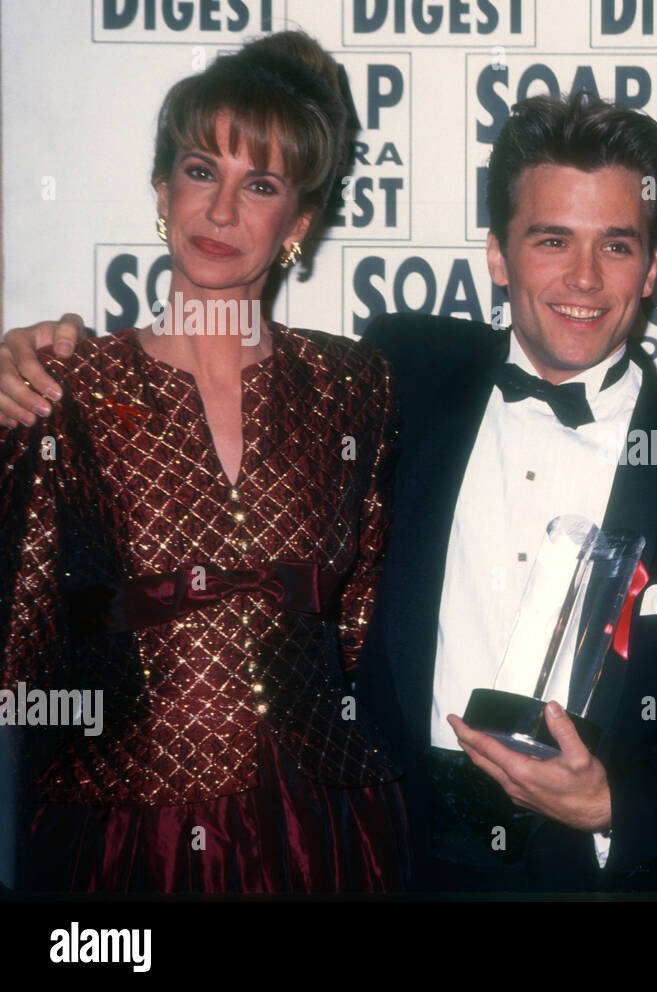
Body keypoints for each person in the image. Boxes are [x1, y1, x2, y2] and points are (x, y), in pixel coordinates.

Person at [0, 90, 657, 893]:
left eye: (617, 246)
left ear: (653, 268)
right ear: (498, 254)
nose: (583, 278)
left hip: (589, 874)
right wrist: (36, 350)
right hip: (384, 850)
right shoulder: (393, 376)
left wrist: (609, 803)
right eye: (551, 239)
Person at [0, 31, 407, 892]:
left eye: (258, 185)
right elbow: (21, 649)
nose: (220, 213)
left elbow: (366, 626)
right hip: (121, 835)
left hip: (325, 833)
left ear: (298, 222)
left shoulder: (353, 386)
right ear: (161, 189)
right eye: (199, 171)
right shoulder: (65, 387)